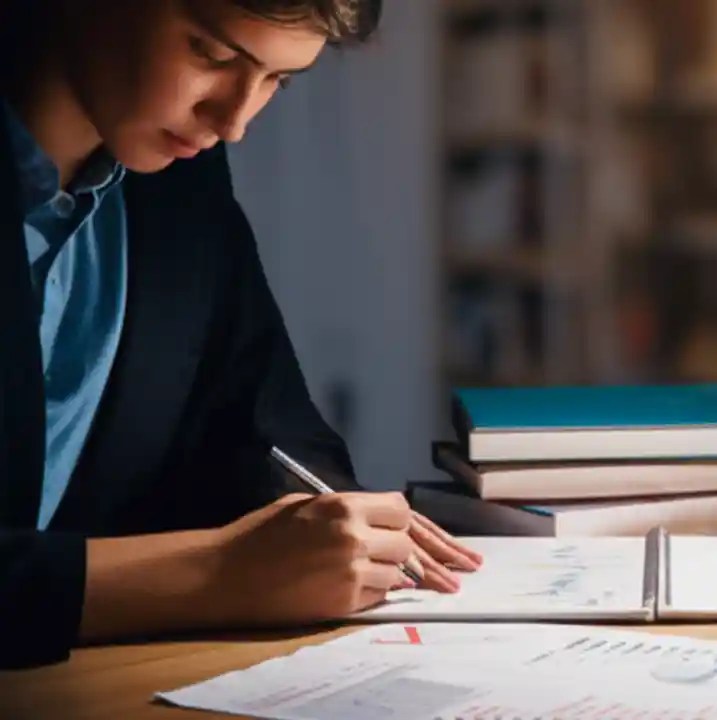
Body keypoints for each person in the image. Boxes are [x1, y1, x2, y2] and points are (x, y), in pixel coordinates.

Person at [0, 0, 482, 670]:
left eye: (276, 81)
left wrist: (329, 524)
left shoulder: (176, 182)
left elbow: (257, 416)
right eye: (214, 56)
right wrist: (213, 573)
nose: (234, 123)